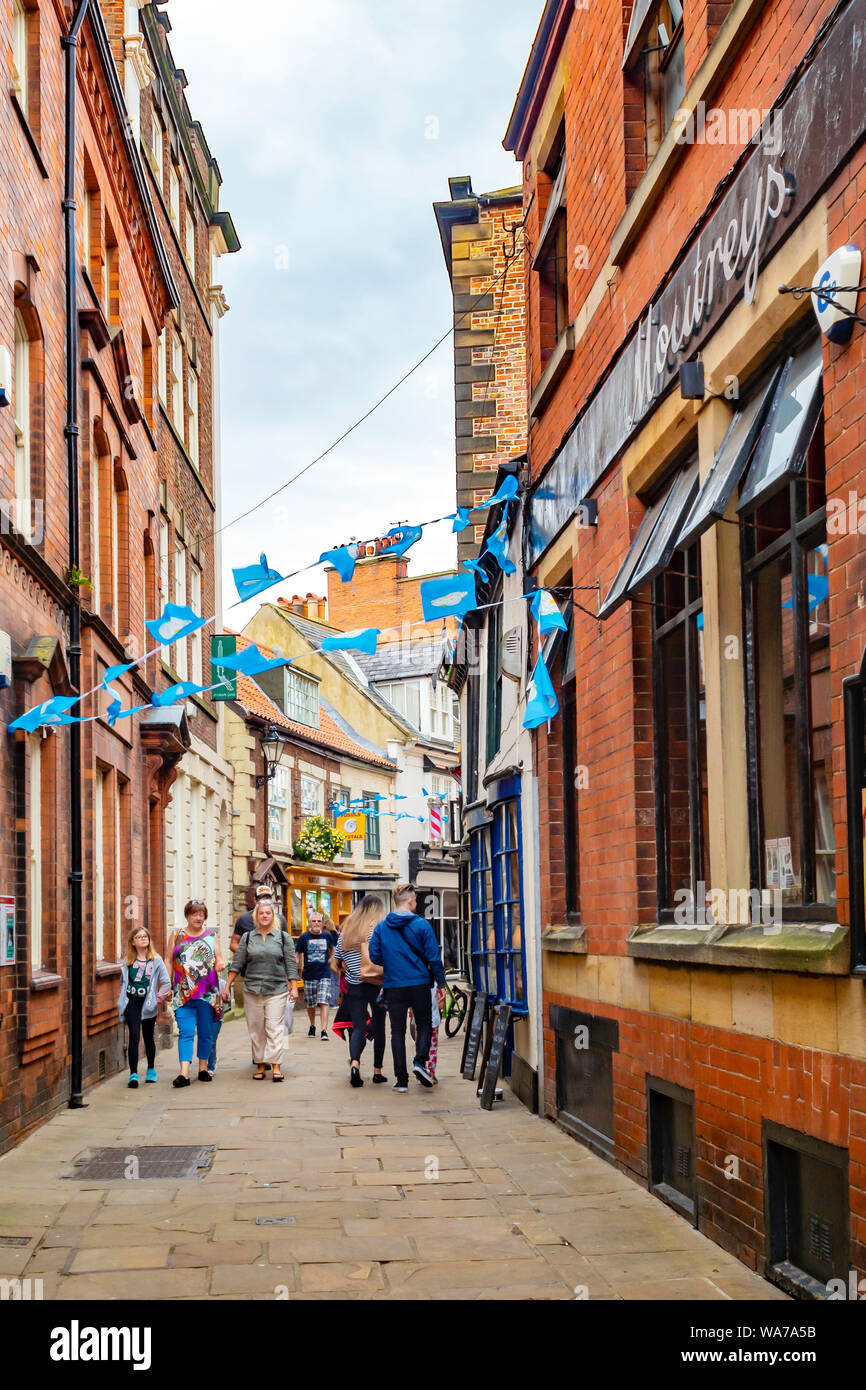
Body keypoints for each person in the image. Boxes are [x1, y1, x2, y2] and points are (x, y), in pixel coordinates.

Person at [368, 883, 445, 1092]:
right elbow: (433, 957)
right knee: (424, 1024)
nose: (416, 903)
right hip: (420, 983)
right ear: (410, 901)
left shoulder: (382, 927)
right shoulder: (421, 925)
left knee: (397, 1031)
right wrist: (441, 982)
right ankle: (420, 1062)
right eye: (416, 900)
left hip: (394, 985)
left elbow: (374, 955)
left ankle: (401, 1081)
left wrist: (393, 962)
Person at [223, 900, 299, 1081]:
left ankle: (276, 1066)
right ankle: (260, 1065)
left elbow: (290, 964)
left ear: (273, 916)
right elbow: (237, 963)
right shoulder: (248, 937)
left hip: (277, 989)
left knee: (274, 1028)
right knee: (256, 1029)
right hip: (252, 989)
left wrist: (294, 987)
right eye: (261, 913)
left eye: (268, 913)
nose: (264, 916)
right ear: (256, 916)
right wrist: (226, 986)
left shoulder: (283, 937)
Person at [334, 894, 389, 1088]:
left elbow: (338, 959)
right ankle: (377, 1072)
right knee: (379, 1026)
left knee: (358, 1026)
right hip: (375, 983)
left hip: (353, 984)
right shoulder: (378, 928)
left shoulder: (346, 930)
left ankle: (355, 1064)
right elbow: (386, 954)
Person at [168, 900, 224, 1088]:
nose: (198, 918)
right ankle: (184, 1073)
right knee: (186, 1031)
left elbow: (219, 959)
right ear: (188, 916)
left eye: (201, 915)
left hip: (207, 993)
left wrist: (221, 965)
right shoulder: (176, 935)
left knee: (206, 1032)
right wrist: (168, 985)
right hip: (183, 992)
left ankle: (202, 1068)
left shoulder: (211, 936)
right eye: (194, 914)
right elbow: (169, 960)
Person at [117, 926, 170, 1088]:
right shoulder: (127, 961)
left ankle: (151, 1069)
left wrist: (157, 998)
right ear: (132, 942)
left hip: (148, 1004)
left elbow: (166, 982)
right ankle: (133, 1074)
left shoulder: (156, 959)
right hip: (131, 1002)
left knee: (148, 1037)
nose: (143, 939)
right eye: (139, 937)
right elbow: (123, 982)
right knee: (133, 1035)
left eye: (145, 936)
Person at [296, 909, 337, 1039]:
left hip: (324, 973)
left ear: (322, 923)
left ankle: (324, 1030)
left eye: (319, 921)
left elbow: (332, 951)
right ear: (310, 922)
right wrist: (293, 971)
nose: (316, 923)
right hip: (309, 975)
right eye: (314, 921)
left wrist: (335, 964)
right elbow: (297, 955)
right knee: (311, 1003)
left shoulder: (327, 936)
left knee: (324, 1001)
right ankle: (312, 1025)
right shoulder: (304, 937)